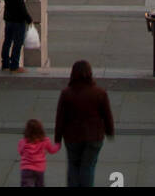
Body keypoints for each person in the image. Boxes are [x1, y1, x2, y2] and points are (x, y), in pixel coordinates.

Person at [54, 60, 114, 188]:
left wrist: (57, 138)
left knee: (73, 166)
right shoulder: (100, 93)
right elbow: (107, 115)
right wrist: (109, 131)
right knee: (88, 167)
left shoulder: (66, 94)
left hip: (72, 137)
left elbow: (60, 118)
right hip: (94, 137)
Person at [0, 0, 32, 73]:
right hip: (18, 19)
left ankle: (5, 64)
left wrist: (8, 0)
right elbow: (21, 5)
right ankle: (15, 66)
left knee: (7, 41)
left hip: (8, 17)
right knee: (18, 42)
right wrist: (28, 18)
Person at [17, 118, 60, 188]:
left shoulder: (23, 142)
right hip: (39, 169)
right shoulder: (45, 141)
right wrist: (58, 144)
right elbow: (52, 150)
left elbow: (20, 152)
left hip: (26, 169)